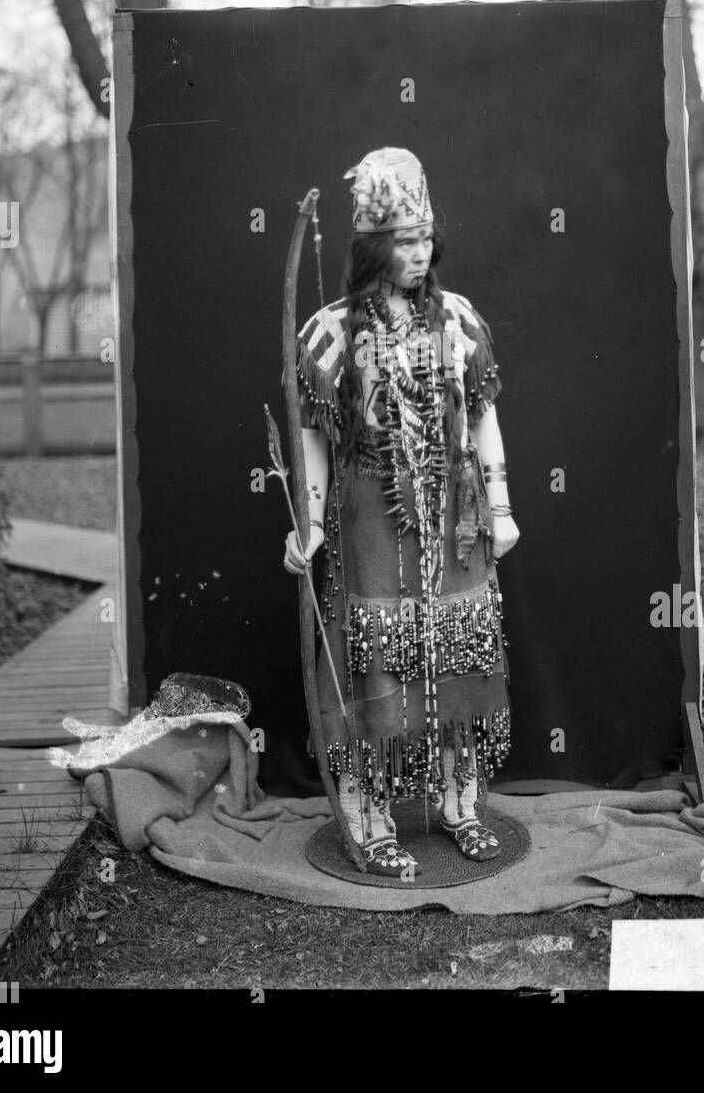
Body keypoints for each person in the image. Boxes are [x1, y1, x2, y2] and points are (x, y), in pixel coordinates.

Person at [283, 147, 519, 877]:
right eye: (404, 241)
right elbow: (313, 438)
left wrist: (502, 506)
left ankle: (458, 805)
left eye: (425, 240)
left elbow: (481, 417)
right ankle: (369, 815)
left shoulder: (457, 320)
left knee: (458, 655)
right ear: (373, 246)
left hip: (457, 521)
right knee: (374, 664)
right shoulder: (328, 334)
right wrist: (312, 523)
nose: (419, 254)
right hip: (369, 527)